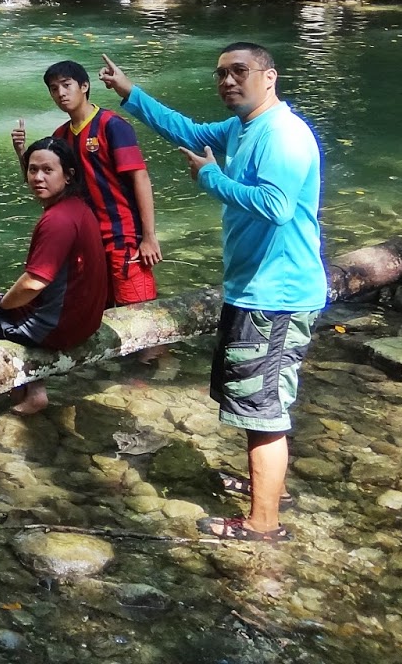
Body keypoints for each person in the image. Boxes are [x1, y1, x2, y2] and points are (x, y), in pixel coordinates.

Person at [100, 44, 324, 543]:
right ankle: (269, 488)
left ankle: (263, 524)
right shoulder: (243, 127)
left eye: (238, 71)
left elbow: (276, 207)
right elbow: (190, 133)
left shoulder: (282, 134)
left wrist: (211, 178)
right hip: (256, 289)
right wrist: (131, 93)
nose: (227, 81)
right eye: (221, 73)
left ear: (269, 77)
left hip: (277, 294)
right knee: (253, 398)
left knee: (264, 407)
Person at [0, 137, 108, 414]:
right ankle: (31, 388)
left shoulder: (57, 221)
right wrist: (6, 299)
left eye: (47, 170)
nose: (38, 178)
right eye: (32, 170)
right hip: (85, 320)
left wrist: (3, 304)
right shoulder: (79, 208)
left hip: (57, 329)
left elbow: (33, 282)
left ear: (68, 176)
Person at [12, 60, 163, 308]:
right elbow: (47, 187)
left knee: (137, 312)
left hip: (123, 239)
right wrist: (21, 154)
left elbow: (140, 178)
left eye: (66, 85)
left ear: (84, 86)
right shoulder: (60, 136)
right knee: (95, 313)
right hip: (86, 241)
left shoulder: (112, 125)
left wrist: (148, 237)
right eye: (53, 88)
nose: (60, 93)